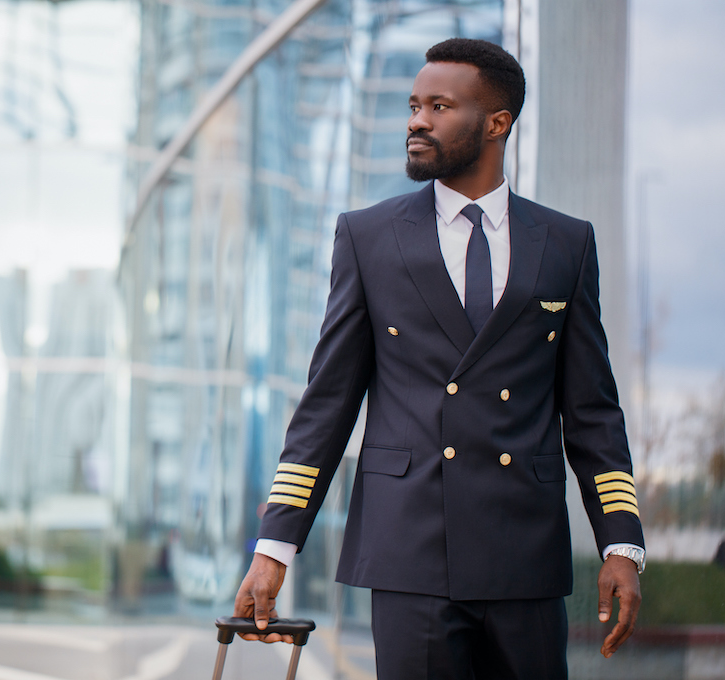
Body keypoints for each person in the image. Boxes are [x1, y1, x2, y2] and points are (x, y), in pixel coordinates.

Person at [233, 38, 645, 679]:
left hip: (524, 553)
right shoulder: (368, 237)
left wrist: (621, 543)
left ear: (496, 123)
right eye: (413, 105)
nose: (416, 120)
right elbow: (327, 408)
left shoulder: (566, 243)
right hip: (411, 552)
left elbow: (593, 413)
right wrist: (275, 545)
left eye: (439, 106)